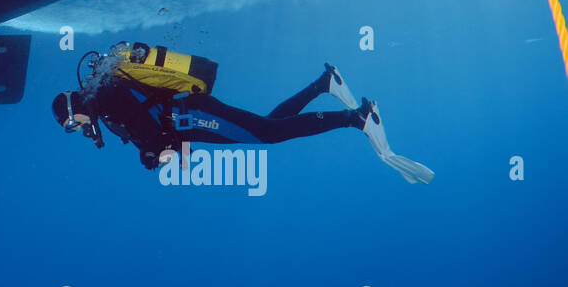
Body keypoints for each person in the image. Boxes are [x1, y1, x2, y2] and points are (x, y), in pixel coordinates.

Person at [51, 42, 433, 183]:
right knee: (267, 125)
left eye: (71, 124)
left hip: (190, 115)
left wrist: (155, 151)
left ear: (74, 109)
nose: (76, 129)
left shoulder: (108, 100)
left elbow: (148, 123)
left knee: (267, 133)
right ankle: (324, 84)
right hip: (188, 120)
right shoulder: (106, 101)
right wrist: (162, 149)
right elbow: (148, 122)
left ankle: (358, 118)